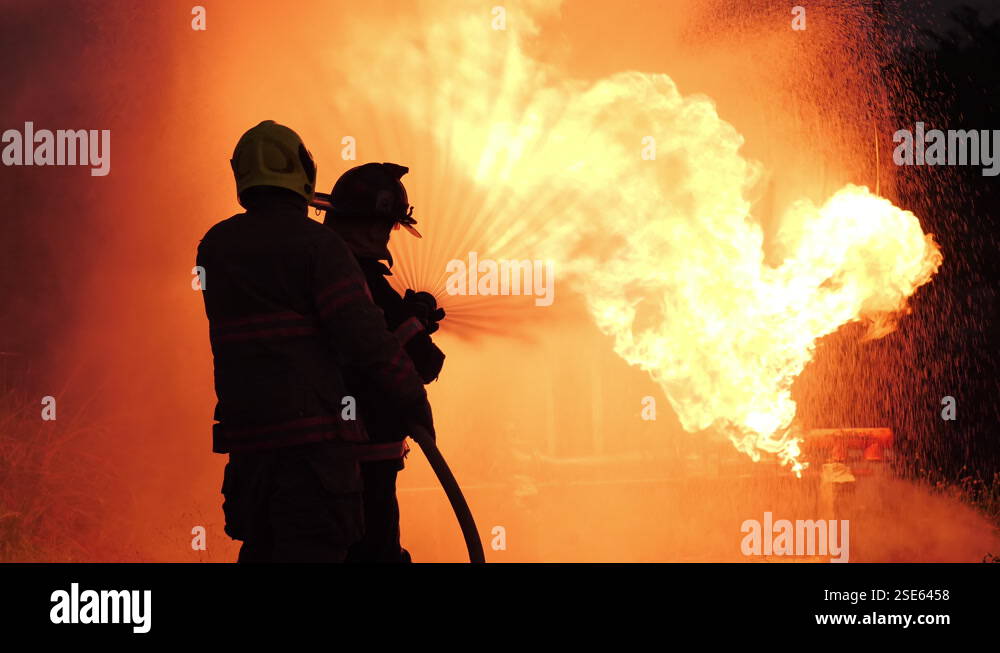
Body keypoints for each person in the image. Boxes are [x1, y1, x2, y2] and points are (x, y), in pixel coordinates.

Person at [196, 121, 434, 562]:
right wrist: (412, 397)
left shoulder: (215, 246)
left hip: (250, 451)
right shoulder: (320, 248)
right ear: (300, 170)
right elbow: (366, 341)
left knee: (262, 553)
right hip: (313, 457)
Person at [320, 162, 446, 563]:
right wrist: (416, 322)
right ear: (373, 225)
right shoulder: (359, 280)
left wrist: (410, 317)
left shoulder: (315, 272)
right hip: (362, 463)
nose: (389, 237)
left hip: (321, 460)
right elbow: (422, 363)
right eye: (390, 227)